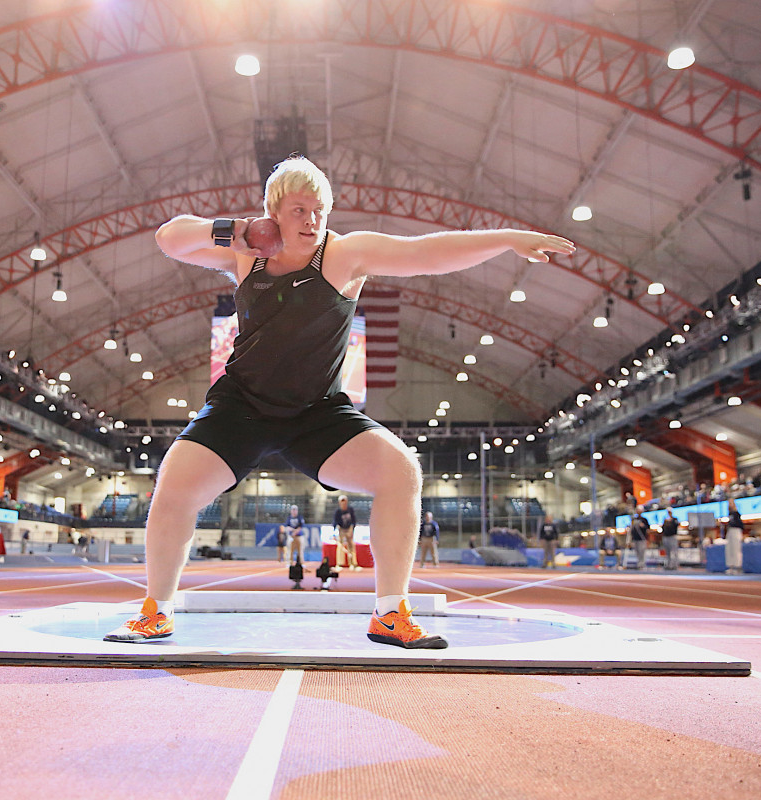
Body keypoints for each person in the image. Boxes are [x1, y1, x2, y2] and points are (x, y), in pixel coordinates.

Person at [104, 155, 573, 649]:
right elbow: (170, 239)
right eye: (299, 210)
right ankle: (157, 610)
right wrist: (239, 230)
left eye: (319, 211)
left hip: (317, 413)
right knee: (175, 481)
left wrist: (506, 239)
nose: (311, 221)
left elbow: (428, 254)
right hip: (241, 407)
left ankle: (390, 614)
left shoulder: (346, 254)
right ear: (274, 213)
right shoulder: (245, 254)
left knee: (402, 472)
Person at [333, 494, 361, 570]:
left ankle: (353, 564)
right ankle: (339, 564)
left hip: (349, 528)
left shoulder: (350, 509)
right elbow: (335, 521)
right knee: (340, 546)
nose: (343, 503)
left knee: (351, 546)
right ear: (339, 503)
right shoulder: (338, 511)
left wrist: (352, 528)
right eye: (342, 501)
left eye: (344, 501)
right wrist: (334, 531)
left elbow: (354, 519)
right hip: (341, 529)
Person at [724, 497, 744, 575]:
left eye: (731, 503)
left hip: (736, 530)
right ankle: (730, 566)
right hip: (730, 531)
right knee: (729, 549)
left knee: (736, 549)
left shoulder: (736, 514)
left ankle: (737, 566)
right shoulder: (730, 513)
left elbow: (740, 524)